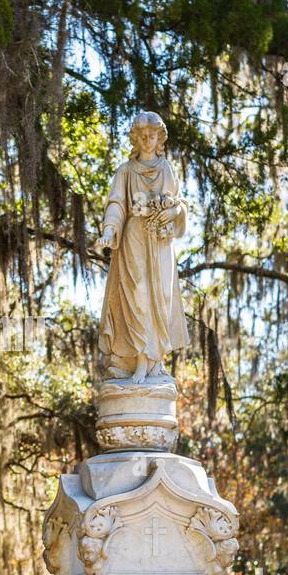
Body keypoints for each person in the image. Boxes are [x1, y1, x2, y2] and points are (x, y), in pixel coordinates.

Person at [95, 111, 190, 384]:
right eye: (142, 136)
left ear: (160, 137)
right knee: (137, 295)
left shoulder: (167, 169)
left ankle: (155, 361)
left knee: (159, 297)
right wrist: (110, 230)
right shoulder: (125, 171)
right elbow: (116, 204)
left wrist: (172, 213)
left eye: (152, 136)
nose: (148, 140)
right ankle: (138, 359)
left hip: (160, 241)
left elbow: (180, 204)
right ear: (135, 138)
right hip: (134, 238)